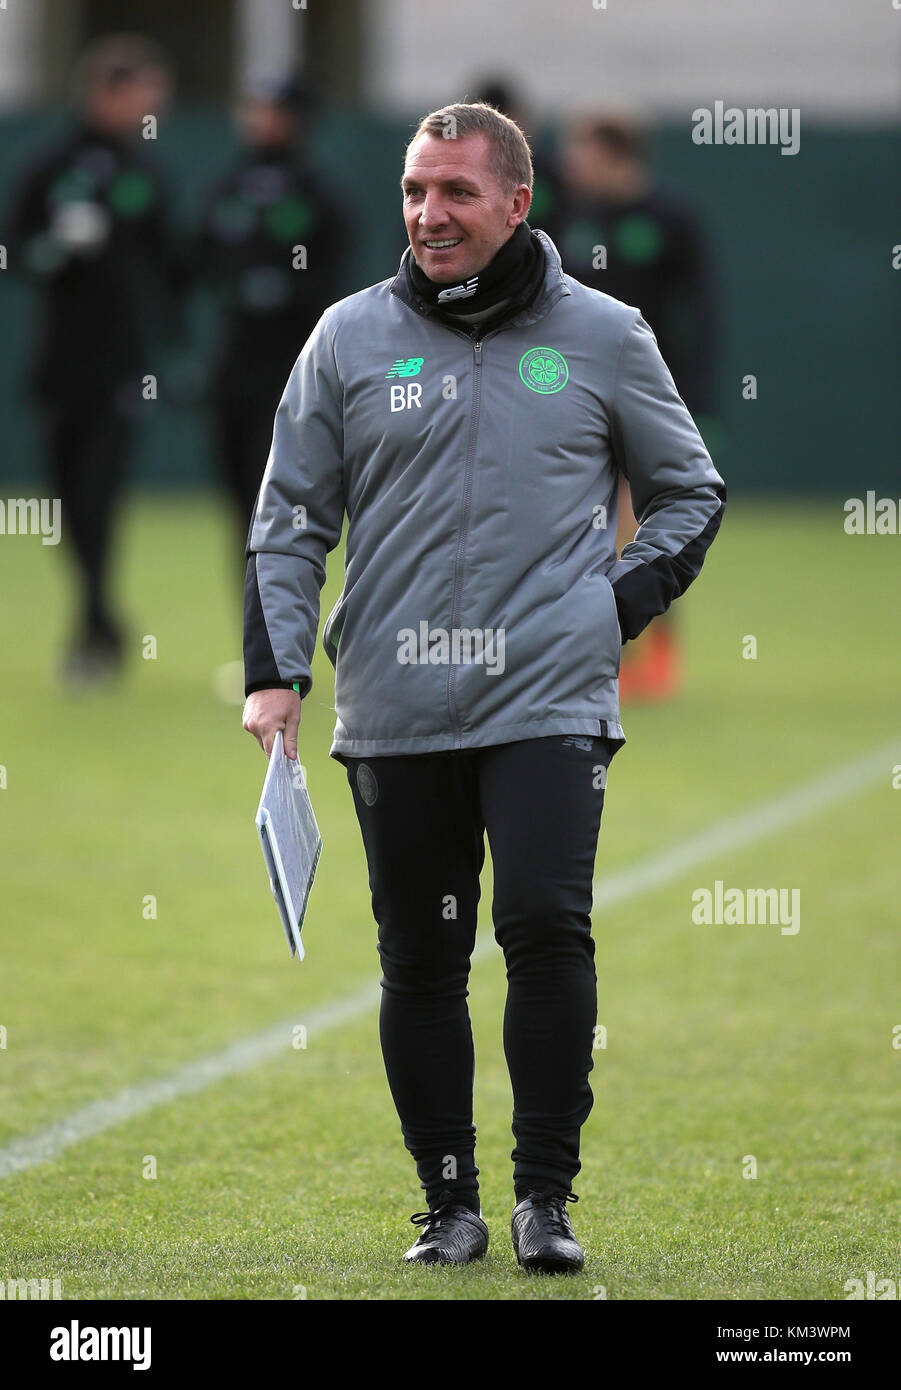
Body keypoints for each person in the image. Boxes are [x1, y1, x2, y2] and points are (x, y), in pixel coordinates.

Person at [242, 103, 725, 1273]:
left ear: (518, 203)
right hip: (397, 702)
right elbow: (290, 517)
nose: (429, 213)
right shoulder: (347, 338)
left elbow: (689, 491)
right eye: (416, 190)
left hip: (546, 697)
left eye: (457, 191)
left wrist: (605, 610)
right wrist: (276, 671)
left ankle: (544, 1201)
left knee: (547, 929)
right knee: (419, 959)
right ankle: (447, 1203)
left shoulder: (605, 334)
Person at [6, 34, 177, 685]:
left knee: (99, 494)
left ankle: (91, 632)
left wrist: (173, 350)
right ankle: (102, 616)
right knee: (64, 499)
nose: (147, 110)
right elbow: (15, 247)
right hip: (59, 361)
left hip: (122, 366)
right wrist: (53, 247)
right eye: (141, 97)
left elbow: (167, 269)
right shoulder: (49, 167)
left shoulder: (143, 175)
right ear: (107, 91)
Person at [552, 110, 720, 699]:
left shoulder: (671, 221)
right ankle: (591, 652)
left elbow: (699, 317)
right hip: (575, 396)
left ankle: (655, 654)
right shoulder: (572, 219)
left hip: (649, 399)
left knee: (636, 527)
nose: (572, 163)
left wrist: (699, 406)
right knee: (578, 526)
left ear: (615, 153)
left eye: (583, 150)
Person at [196, 74, 347, 548]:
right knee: (239, 502)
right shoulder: (227, 187)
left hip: (291, 371)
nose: (258, 120)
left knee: (280, 500)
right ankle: (251, 614)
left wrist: (286, 289)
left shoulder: (318, 193)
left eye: (270, 110)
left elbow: (332, 275)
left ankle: (277, 610)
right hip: (234, 366)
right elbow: (194, 259)